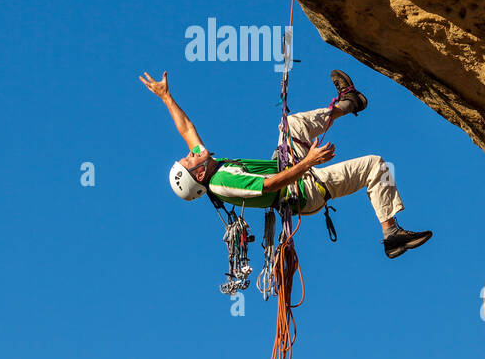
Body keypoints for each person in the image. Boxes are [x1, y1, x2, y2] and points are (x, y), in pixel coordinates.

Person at [139, 68, 433, 259]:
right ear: (198, 173)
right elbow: (270, 185)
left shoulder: (211, 168)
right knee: (375, 165)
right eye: (190, 158)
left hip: (290, 171)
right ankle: (392, 234)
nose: (192, 152)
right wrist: (308, 162)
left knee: (291, 124)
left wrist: (166, 97)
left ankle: (349, 103)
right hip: (305, 191)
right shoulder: (223, 181)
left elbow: (186, 128)